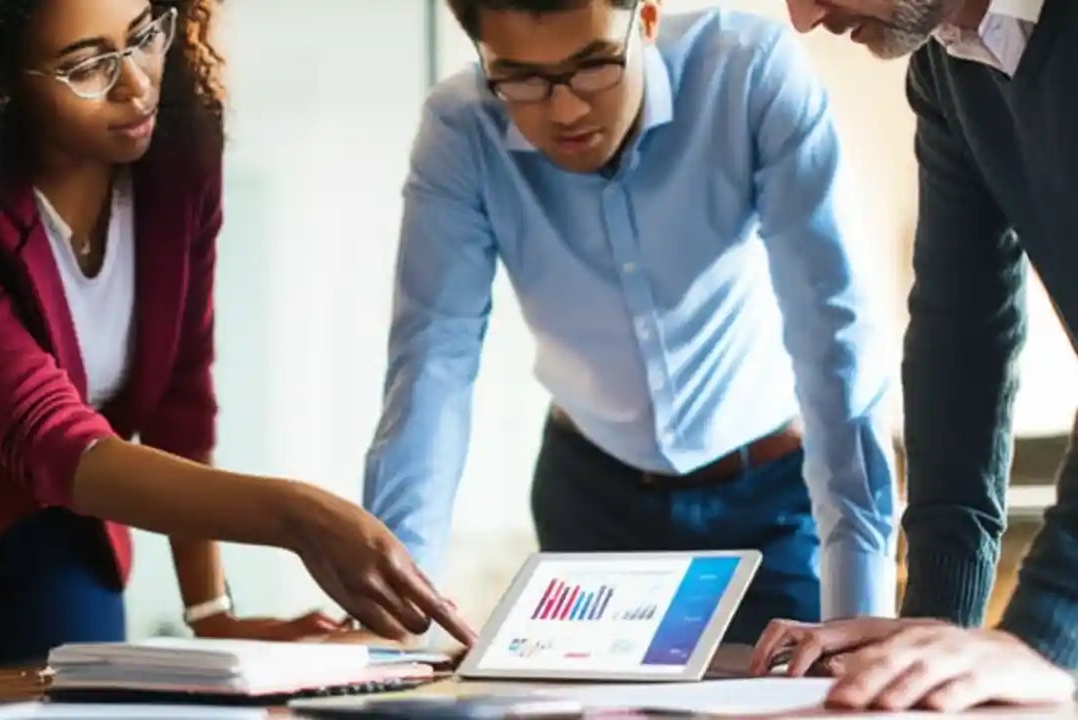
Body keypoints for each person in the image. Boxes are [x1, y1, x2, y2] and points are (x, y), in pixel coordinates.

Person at [0, 0, 474, 686]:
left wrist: (210, 609)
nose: (138, 83)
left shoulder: (178, 153)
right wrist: (297, 515)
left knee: (95, 702)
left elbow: (181, 392)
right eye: (87, 64)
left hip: (60, 516)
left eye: (146, 32)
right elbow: (46, 436)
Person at [361, 0, 899, 646]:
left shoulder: (748, 73)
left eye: (593, 67)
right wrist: (385, 622)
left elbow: (832, 330)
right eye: (521, 79)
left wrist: (861, 618)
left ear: (644, 18)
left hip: (773, 502)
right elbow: (431, 366)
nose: (564, 111)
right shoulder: (460, 130)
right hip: (593, 499)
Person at [748, 0, 1078, 712]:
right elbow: (962, 338)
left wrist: (1046, 634)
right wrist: (932, 627)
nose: (803, 18)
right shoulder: (948, 69)